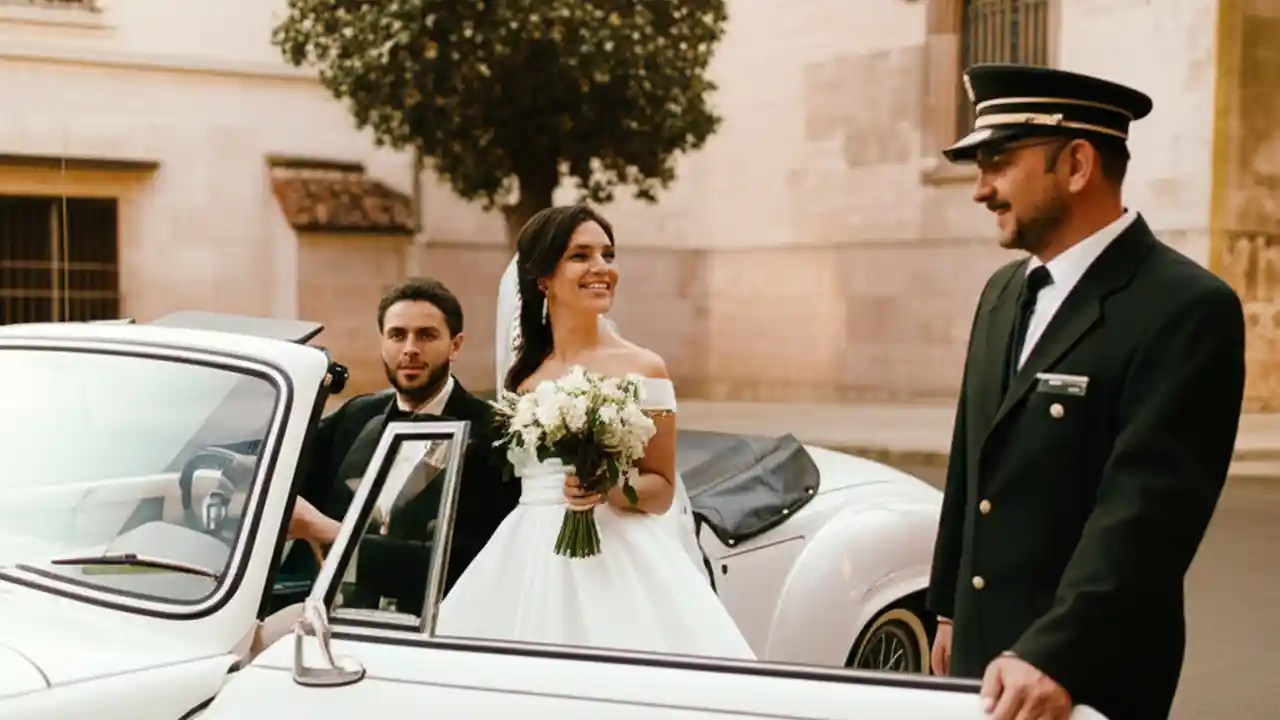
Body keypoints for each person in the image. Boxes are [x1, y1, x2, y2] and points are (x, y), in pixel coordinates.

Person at [925, 63, 1246, 720]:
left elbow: (1147, 514)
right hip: (982, 663)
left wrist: (1056, 656)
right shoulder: (1003, 293)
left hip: (1084, 672)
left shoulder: (1186, 307)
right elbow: (972, 463)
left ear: (1076, 164)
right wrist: (950, 610)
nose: (981, 189)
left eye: (999, 162)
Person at [433, 204, 755, 660]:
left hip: (618, 559)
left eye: (608, 254)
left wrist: (607, 487)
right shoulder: (524, 379)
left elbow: (661, 488)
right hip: (526, 560)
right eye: (581, 255)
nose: (601, 267)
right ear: (543, 277)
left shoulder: (644, 368)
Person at [285, 278, 519, 611]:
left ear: (456, 345)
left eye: (426, 335)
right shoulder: (356, 415)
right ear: (382, 343)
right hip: (339, 613)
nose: (410, 348)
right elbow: (286, 467)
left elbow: (473, 559)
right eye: (397, 335)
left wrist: (330, 531)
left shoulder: (494, 432)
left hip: (443, 621)